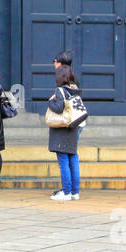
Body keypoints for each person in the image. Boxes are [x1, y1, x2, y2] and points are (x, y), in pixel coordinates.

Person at [47, 64, 84, 201]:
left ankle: (66, 192)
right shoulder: (75, 89)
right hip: (73, 128)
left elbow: (58, 107)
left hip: (62, 130)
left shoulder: (60, 91)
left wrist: (50, 102)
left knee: (63, 162)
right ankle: (75, 192)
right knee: (73, 159)